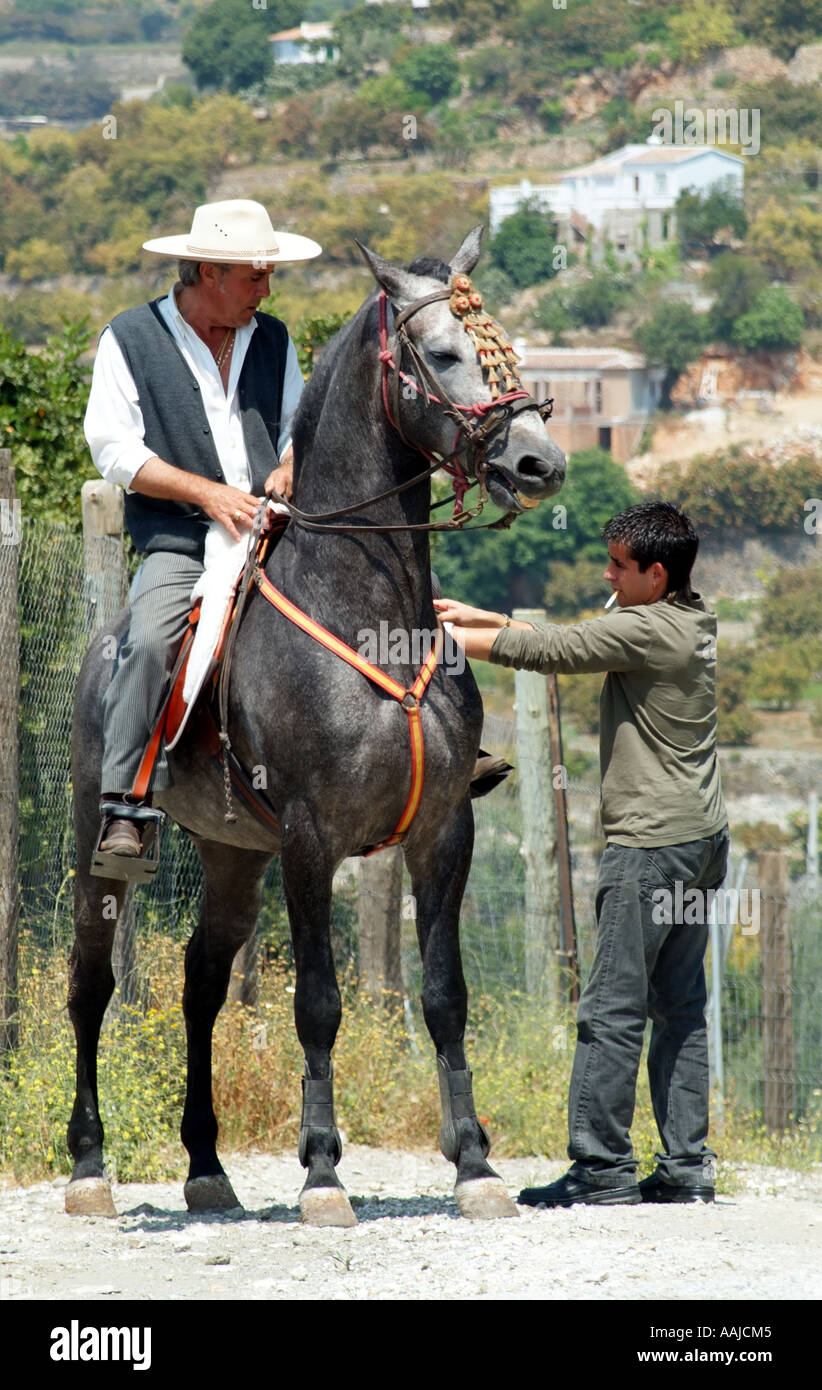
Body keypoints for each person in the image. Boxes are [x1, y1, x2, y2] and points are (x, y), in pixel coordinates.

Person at [434, 500, 728, 1207]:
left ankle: (600, 1168)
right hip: (701, 841)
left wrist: (445, 640)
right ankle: (686, 1167)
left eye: (620, 567)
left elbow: (556, 652)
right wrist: (480, 615)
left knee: (612, 1008)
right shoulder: (689, 619)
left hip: (649, 847)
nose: (607, 573)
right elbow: (576, 637)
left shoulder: (647, 628)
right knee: (681, 1007)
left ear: (655, 574)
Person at [84, 199, 321, 858]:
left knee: (379, 579)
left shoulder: (271, 338)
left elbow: (298, 421)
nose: (267, 291)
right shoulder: (127, 339)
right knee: (152, 639)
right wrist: (208, 495)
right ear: (209, 274)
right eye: (255, 277)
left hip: (278, 532)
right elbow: (115, 452)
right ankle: (125, 807)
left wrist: (294, 462)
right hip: (182, 542)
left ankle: (436, 746)